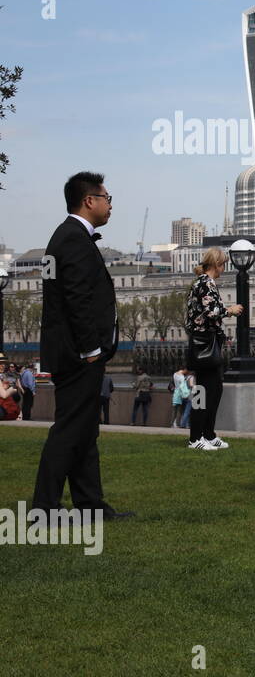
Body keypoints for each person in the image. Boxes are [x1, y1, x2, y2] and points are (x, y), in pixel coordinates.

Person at [31, 171, 134, 520]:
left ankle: (90, 505)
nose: (110, 205)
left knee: (84, 431)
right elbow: (76, 299)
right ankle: (43, 507)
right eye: (107, 198)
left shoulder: (65, 237)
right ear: (89, 201)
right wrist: (91, 349)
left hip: (71, 352)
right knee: (70, 429)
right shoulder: (73, 239)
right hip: (78, 355)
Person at [184, 247, 243, 450]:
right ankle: (196, 438)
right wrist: (230, 310)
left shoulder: (203, 282)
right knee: (205, 390)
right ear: (217, 264)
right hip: (204, 343)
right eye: (223, 264)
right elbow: (211, 312)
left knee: (213, 389)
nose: (224, 268)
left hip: (206, 342)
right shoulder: (205, 283)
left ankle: (207, 434)